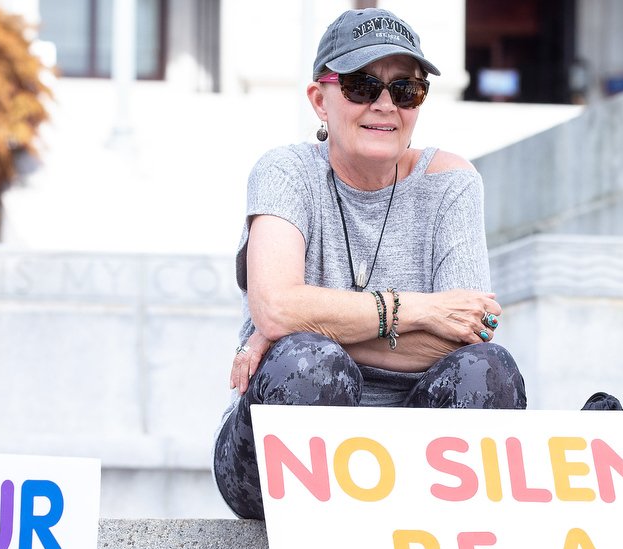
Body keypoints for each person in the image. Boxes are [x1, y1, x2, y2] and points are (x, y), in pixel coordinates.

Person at [212, 8, 526, 520]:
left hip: (412, 455)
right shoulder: (285, 172)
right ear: (320, 99)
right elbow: (274, 308)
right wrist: (418, 311)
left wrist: (307, 316)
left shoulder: (451, 183)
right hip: (277, 456)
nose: (384, 105)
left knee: (489, 371)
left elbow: (469, 333)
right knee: (308, 364)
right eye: (362, 86)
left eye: (406, 89)